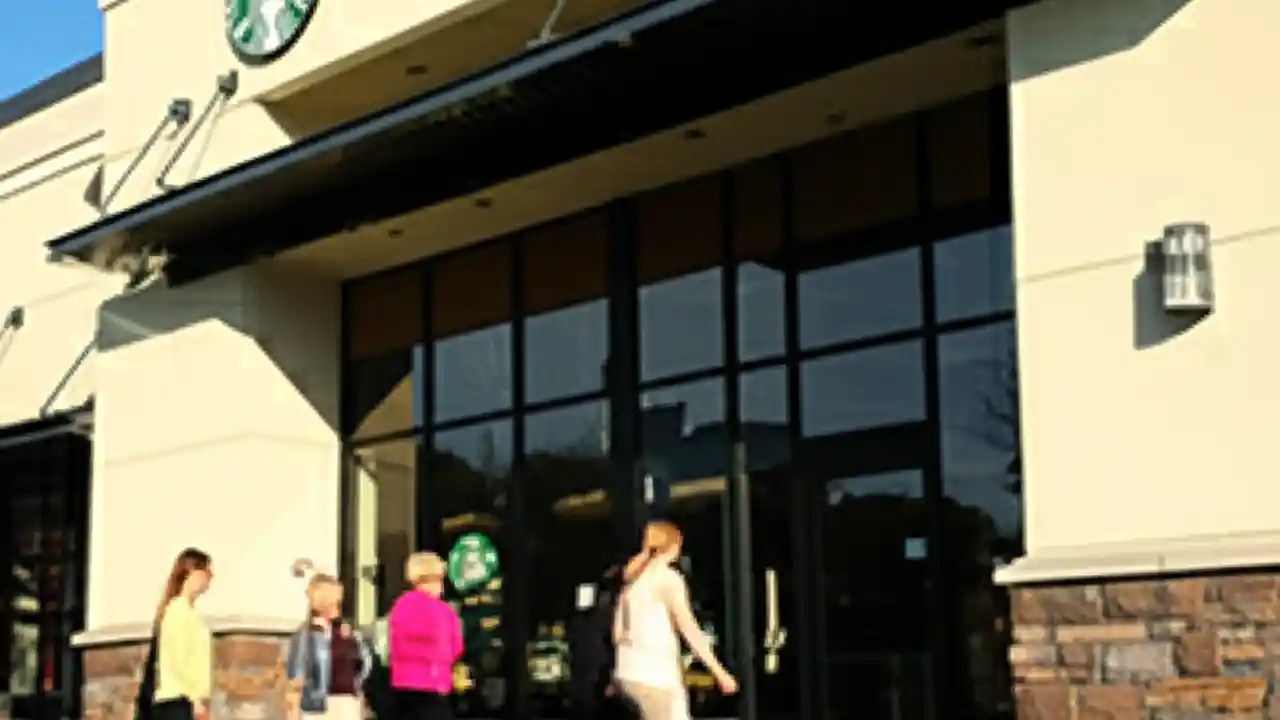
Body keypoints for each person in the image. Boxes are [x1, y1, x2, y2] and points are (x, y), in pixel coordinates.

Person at [613, 521, 737, 720]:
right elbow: (689, 629)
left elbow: (617, 634)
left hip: (628, 674)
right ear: (673, 547)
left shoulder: (632, 580)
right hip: (656, 677)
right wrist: (720, 672)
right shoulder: (669, 580)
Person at [286, 574, 373, 720]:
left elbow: (361, 667)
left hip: (347, 704)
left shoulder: (346, 634)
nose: (338, 606)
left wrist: (359, 699)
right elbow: (296, 682)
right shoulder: (305, 636)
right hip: (319, 706)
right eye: (334, 602)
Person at [389, 551, 464, 720]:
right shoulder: (443, 611)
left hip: (402, 684)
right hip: (433, 683)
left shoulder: (400, 606)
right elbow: (455, 648)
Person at [152, 548, 215, 720]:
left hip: (187, 702)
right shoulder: (177, 611)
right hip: (178, 701)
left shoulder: (190, 613)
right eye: (206, 572)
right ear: (192, 572)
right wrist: (195, 701)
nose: (209, 579)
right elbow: (178, 658)